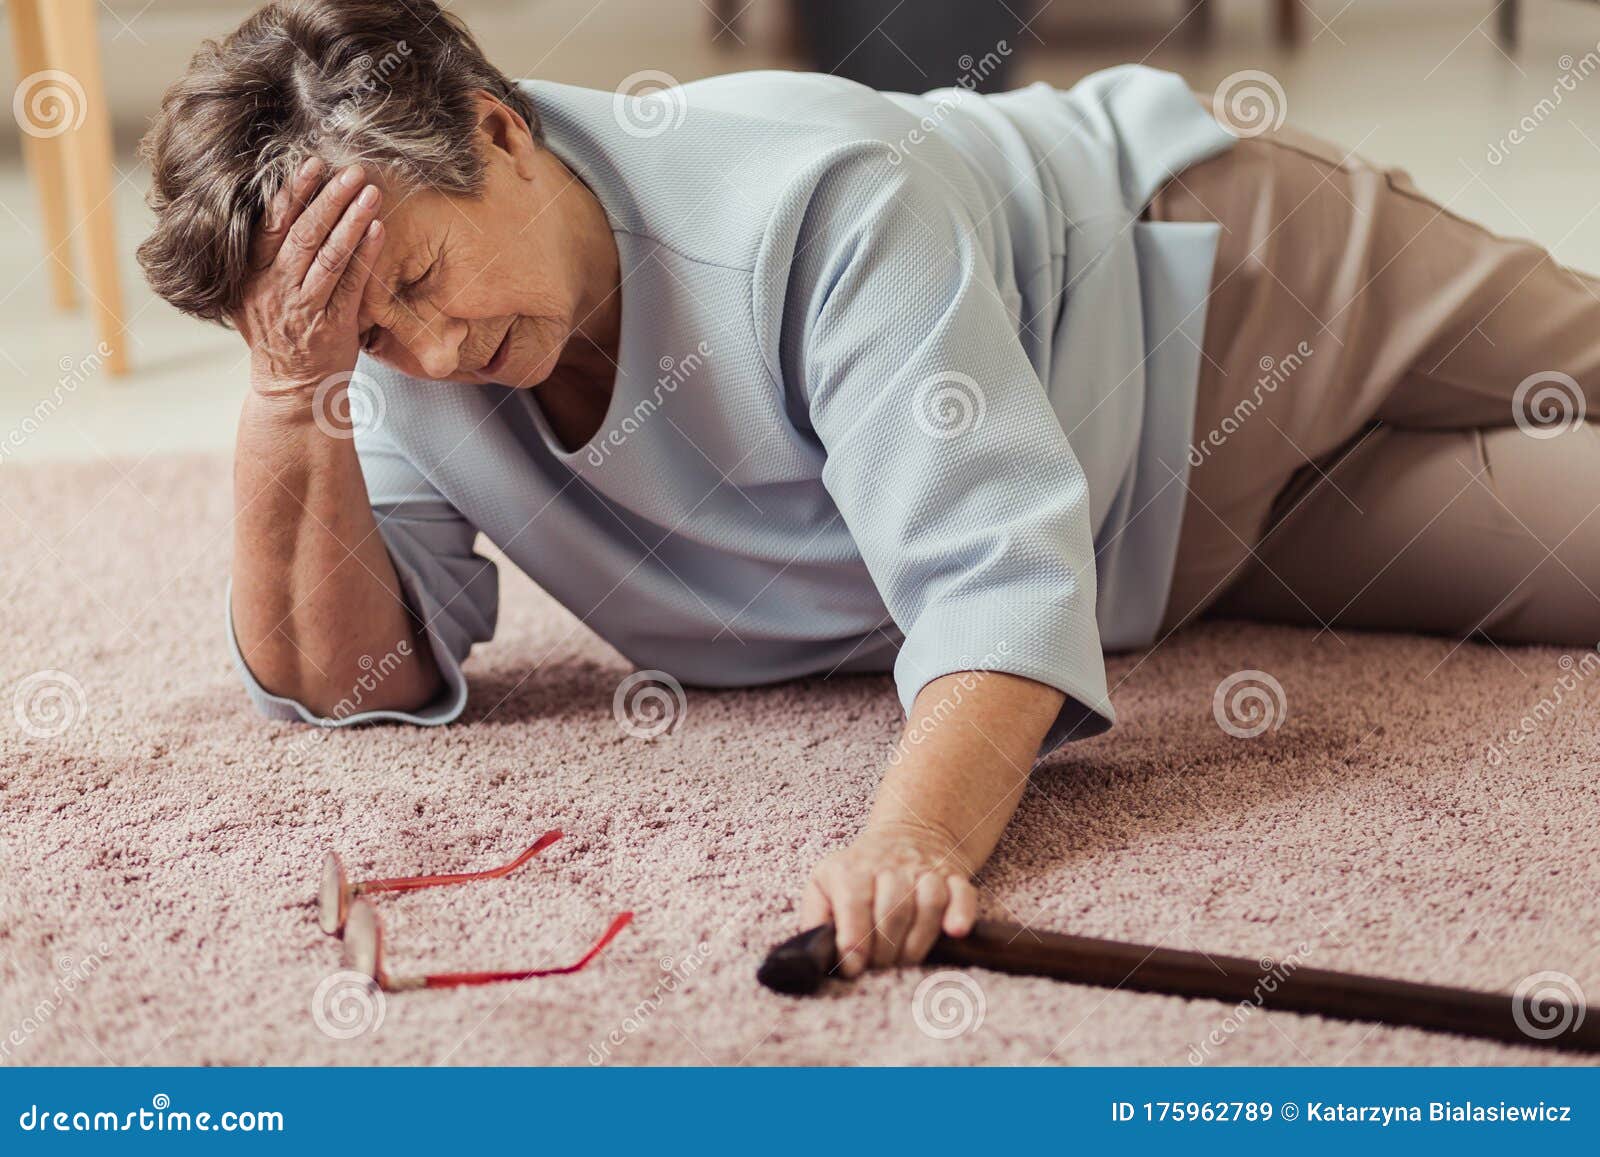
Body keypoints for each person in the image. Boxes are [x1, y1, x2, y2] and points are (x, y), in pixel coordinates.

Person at [138, 0, 1600, 979]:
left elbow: (991, 587)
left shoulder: (815, 204)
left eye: (418, 280)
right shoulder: (378, 358)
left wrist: (911, 836)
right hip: (1166, 538)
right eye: (368, 332)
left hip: (1230, 283)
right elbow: (356, 678)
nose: (437, 349)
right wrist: (297, 395)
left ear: (499, 131)